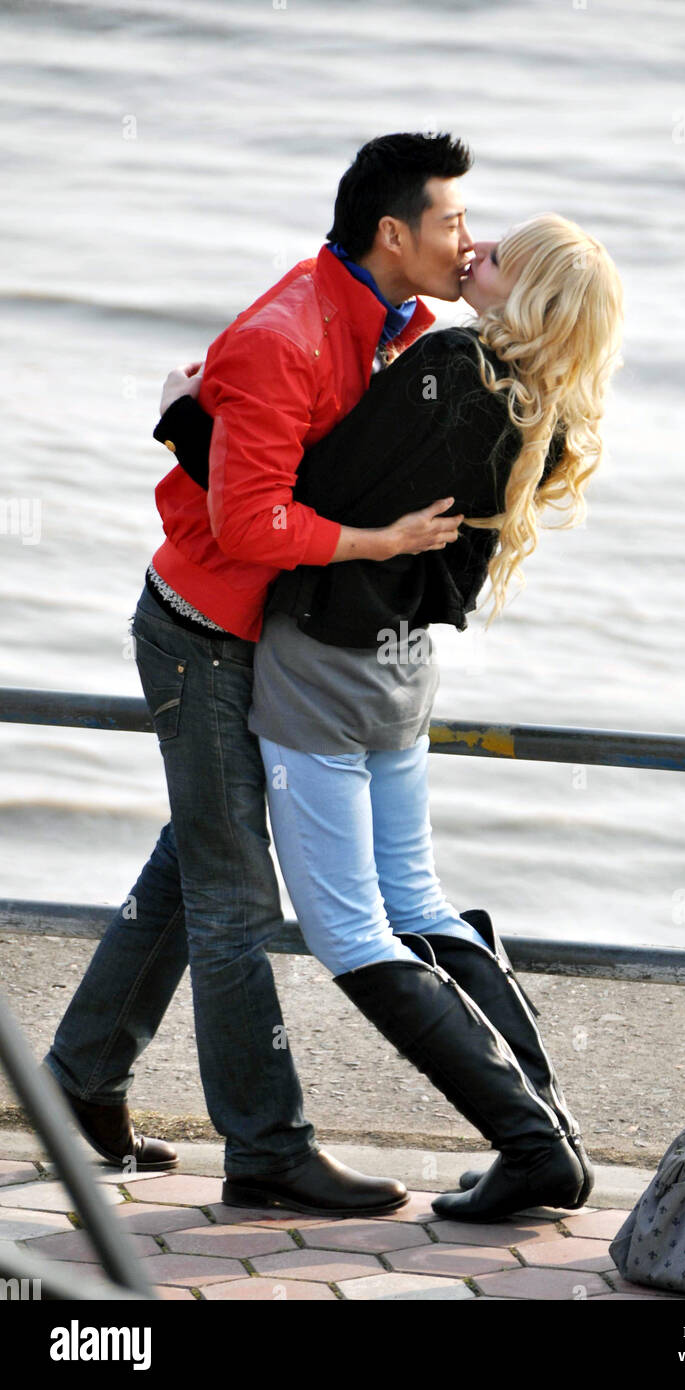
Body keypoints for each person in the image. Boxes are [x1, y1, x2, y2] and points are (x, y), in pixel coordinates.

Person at [43, 132, 476, 1216]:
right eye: (453, 221)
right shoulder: (288, 336)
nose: (467, 239)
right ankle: (266, 1147)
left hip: (268, 636)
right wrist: (379, 545)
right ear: (392, 232)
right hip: (202, 631)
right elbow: (248, 521)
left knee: (191, 868)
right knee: (238, 895)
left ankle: (75, 1083)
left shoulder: (398, 327)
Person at [168, 213, 624, 1220]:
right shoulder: (540, 405)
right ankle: (550, 1138)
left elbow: (307, 495)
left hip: (325, 670)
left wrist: (188, 420)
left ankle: (528, 1140)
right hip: (402, 673)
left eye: (497, 256)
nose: (475, 253)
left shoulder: (456, 367)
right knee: (415, 905)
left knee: (348, 929)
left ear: (529, 294)